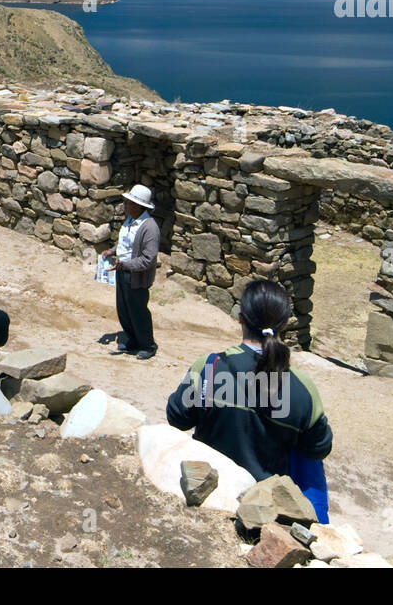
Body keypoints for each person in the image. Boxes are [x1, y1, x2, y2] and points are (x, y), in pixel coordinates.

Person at [165, 279, 333, 516]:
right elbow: (318, 448)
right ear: (284, 324)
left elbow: (177, 418)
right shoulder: (303, 387)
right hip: (264, 507)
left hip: (210, 496)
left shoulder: (208, 367)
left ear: (240, 317)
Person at [99, 184, 160, 360]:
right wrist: (112, 251)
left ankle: (147, 345)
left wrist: (125, 265)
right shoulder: (129, 221)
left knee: (137, 310)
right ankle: (132, 339)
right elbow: (125, 243)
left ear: (139, 206)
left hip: (136, 276)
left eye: (129, 202)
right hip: (122, 271)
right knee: (124, 308)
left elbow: (148, 258)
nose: (125, 205)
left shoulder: (149, 228)